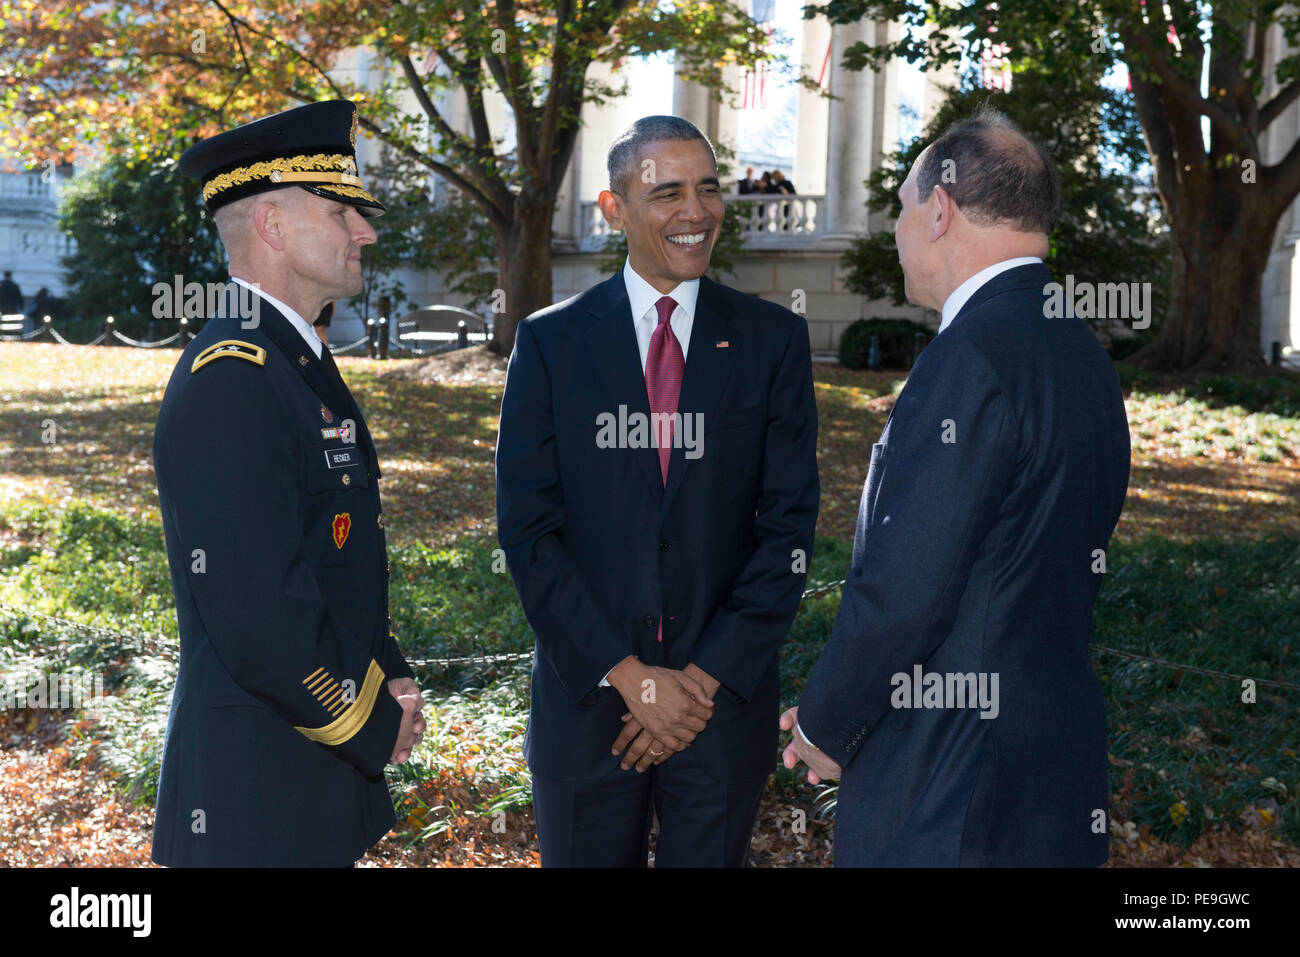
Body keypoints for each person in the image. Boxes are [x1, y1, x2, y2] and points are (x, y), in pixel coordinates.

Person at [781, 104, 1130, 866]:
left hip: (949, 786)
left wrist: (825, 723)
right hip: (1052, 774)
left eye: (901, 208)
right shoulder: (1081, 350)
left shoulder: (968, 357)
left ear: (938, 210)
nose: (897, 230)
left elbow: (907, 590)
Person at [496, 114, 819, 867]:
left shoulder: (773, 342)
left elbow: (789, 527)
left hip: (720, 716)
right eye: (666, 191)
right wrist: (631, 678)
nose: (695, 211)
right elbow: (528, 531)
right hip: (588, 712)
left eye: (708, 188)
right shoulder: (550, 343)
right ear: (614, 210)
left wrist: (695, 686)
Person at [151, 99, 424, 867]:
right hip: (254, 806)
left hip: (304, 789)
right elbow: (259, 615)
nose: (364, 231)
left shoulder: (293, 364)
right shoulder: (232, 377)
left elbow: (330, 567)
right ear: (271, 227)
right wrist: (372, 717)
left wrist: (389, 672)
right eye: (341, 212)